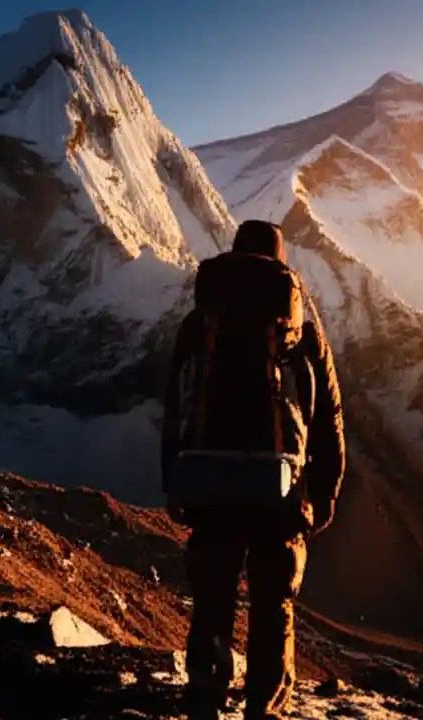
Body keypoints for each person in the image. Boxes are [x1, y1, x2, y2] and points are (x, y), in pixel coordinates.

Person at [161, 220, 345, 720]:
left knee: (213, 602)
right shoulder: (298, 323)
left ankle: (205, 701)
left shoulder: (202, 320)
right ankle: (265, 710)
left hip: (209, 480)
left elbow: (176, 404)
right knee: (273, 606)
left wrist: (174, 480)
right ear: (280, 260)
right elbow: (328, 412)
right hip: (279, 487)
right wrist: (324, 493)